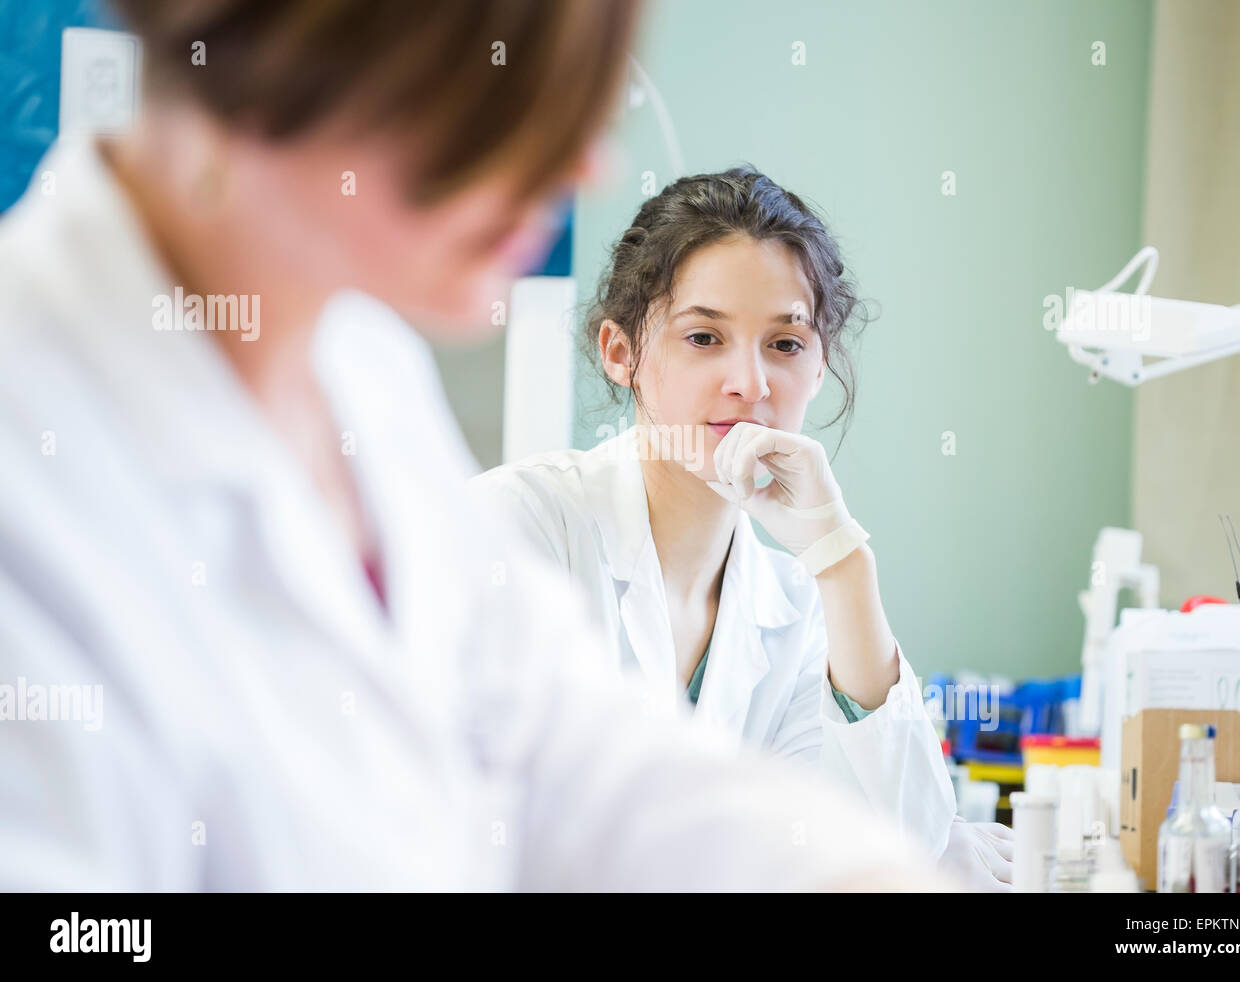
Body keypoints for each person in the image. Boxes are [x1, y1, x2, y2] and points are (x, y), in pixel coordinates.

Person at [0, 1, 946, 890]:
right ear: (309, 52)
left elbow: (566, 753)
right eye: (516, 98)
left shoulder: (361, 366)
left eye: (785, 342)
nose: (585, 167)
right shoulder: (35, 454)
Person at [473, 167, 1012, 887]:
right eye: (703, 337)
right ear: (620, 352)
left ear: (819, 368)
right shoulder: (520, 529)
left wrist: (844, 563)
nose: (750, 383)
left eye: (785, 344)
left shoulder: (799, 606)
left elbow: (905, 838)